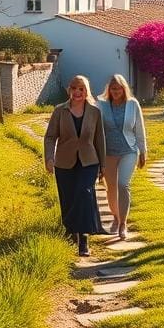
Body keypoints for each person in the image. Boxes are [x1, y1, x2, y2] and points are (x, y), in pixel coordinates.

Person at [44, 74, 107, 257]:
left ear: (87, 91)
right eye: (74, 88)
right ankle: (71, 230)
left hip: (89, 161)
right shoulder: (59, 111)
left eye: (81, 89)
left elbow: (100, 140)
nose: (77, 92)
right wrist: (49, 158)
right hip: (64, 162)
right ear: (69, 90)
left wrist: (103, 165)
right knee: (68, 198)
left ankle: (83, 240)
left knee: (84, 194)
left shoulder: (94, 112)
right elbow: (50, 137)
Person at [97, 74, 147, 240]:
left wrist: (143, 151)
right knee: (111, 187)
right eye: (113, 88)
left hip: (128, 151)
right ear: (109, 89)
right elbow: (96, 127)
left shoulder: (132, 104)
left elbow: (139, 129)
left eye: (118, 88)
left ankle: (123, 224)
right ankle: (116, 217)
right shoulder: (102, 105)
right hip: (108, 153)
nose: (116, 91)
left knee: (122, 184)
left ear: (124, 89)